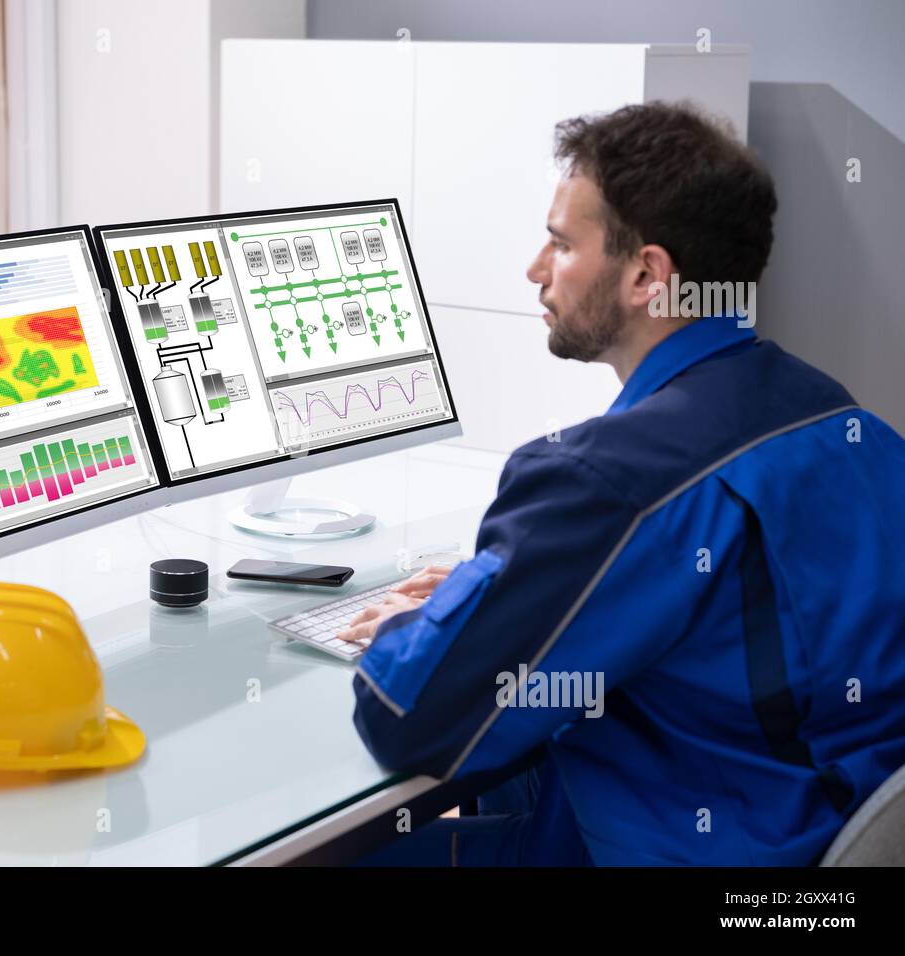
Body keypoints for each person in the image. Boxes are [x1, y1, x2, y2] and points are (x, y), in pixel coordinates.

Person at [340, 101, 905, 866]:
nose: (536, 269)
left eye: (561, 243)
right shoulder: (844, 420)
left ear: (647, 275)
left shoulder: (603, 482)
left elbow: (407, 715)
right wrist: (498, 603)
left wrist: (433, 627)